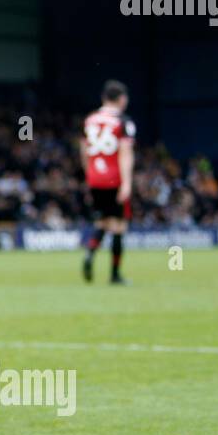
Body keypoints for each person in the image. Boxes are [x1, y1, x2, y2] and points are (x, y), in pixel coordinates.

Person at [81, 80, 134, 285]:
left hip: (95, 178)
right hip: (114, 178)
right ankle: (115, 274)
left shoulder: (90, 120)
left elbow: (83, 150)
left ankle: (90, 253)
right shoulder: (123, 121)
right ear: (122, 99)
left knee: (102, 221)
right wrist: (127, 183)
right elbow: (125, 152)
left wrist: (89, 174)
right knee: (119, 226)